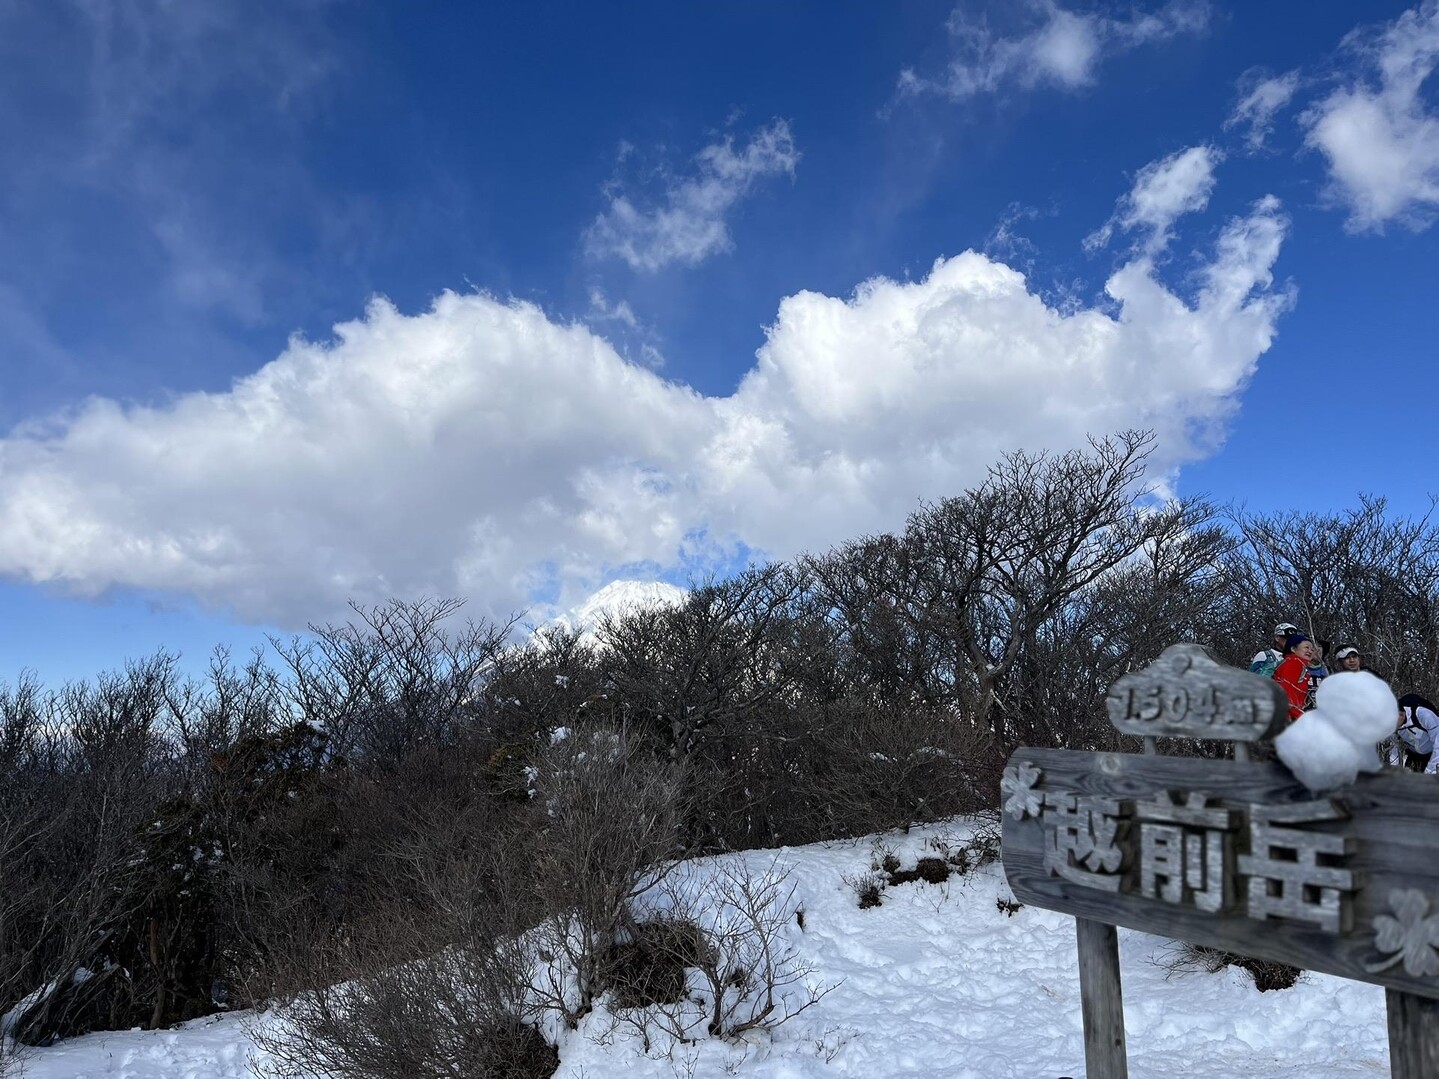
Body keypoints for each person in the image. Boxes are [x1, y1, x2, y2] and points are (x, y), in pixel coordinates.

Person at [1273, 633, 1315, 722]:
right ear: (1293, 648)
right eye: (1306, 647)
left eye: (1312, 649)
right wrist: (1302, 717)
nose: (1310, 651)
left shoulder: (1298, 664)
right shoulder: (1294, 663)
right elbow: (1286, 695)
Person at [1396, 693, 1439, 773]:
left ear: (1401, 715)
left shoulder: (1425, 716)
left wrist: (1430, 770)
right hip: (1414, 755)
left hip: (1433, 754)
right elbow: (1393, 750)